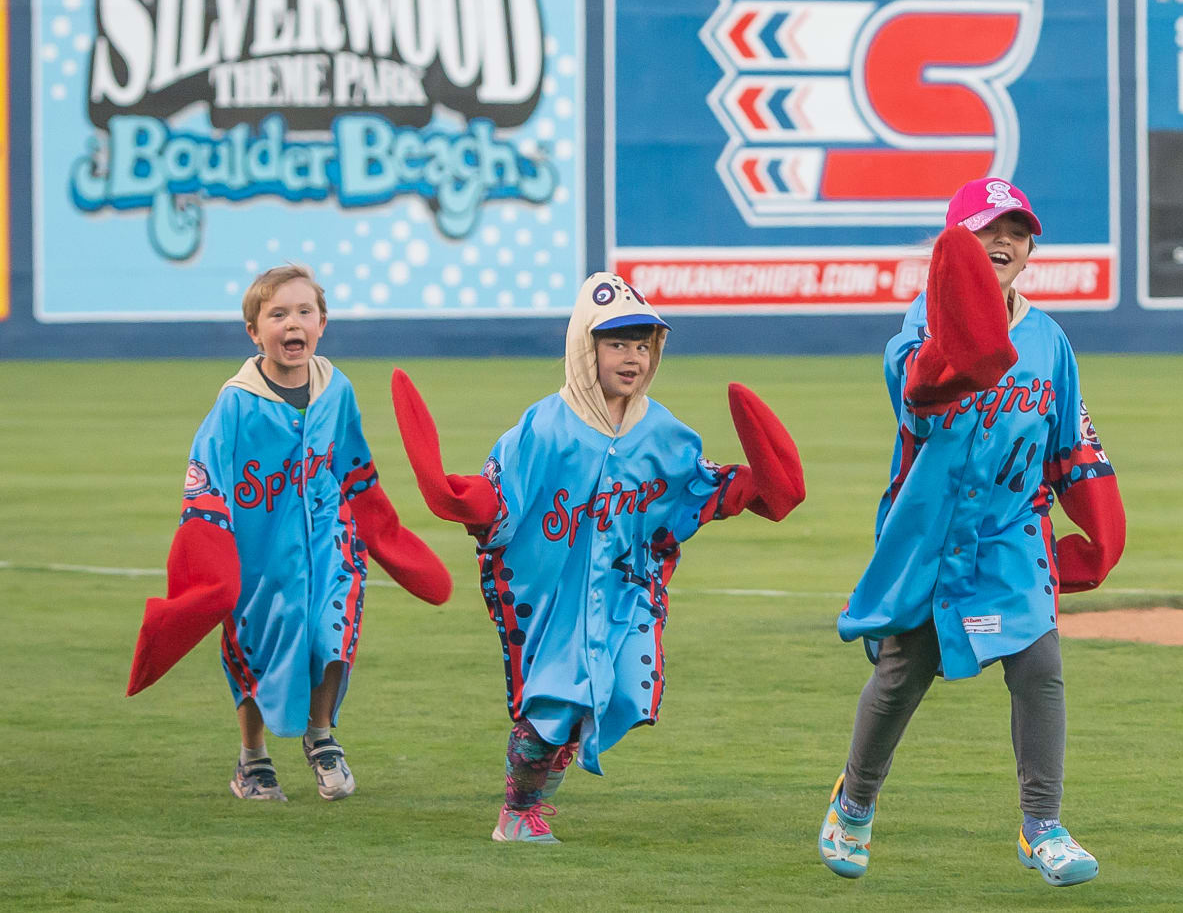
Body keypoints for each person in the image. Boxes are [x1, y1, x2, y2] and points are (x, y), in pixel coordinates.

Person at [388, 272, 804, 844]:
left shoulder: (662, 432)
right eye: (616, 343)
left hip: (627, 594)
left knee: (630, 691)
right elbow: (495, 498)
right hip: (553, 598)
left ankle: (549, 767)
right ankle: (519, 809)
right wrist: (458, 496)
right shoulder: (541, 429)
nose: (631, 357)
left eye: (642, 344)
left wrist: (758, 486)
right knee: (554, 709)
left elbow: (702, 489)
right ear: (586, 348)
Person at [819, 177, 1127, 887]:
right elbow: (914, 395)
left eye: (1018, 231)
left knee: (1039, 667)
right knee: (902, 673)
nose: (1006, 241)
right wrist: (959, 354)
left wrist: (1100, 527)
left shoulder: (1049, 340)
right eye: (991, 228)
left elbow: (1069, 441)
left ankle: (1042, 826)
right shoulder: (923, 323)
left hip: (1012, 533)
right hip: (932, 535)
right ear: (954, 246)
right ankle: (855, 802)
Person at [127, 263, 453, 803]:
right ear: (255, 332)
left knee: (334, 630)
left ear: (322, 323)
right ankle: (252, 757)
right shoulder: (236, 402)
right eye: (277, 314)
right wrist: (211, 563)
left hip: (331, 543)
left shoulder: (336, 389)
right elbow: (204, 483)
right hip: (259, 555)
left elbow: (355, 469)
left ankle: (321, 735)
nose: (292, 323)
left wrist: (388, 538)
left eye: (304, 311)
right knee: (260, 648)